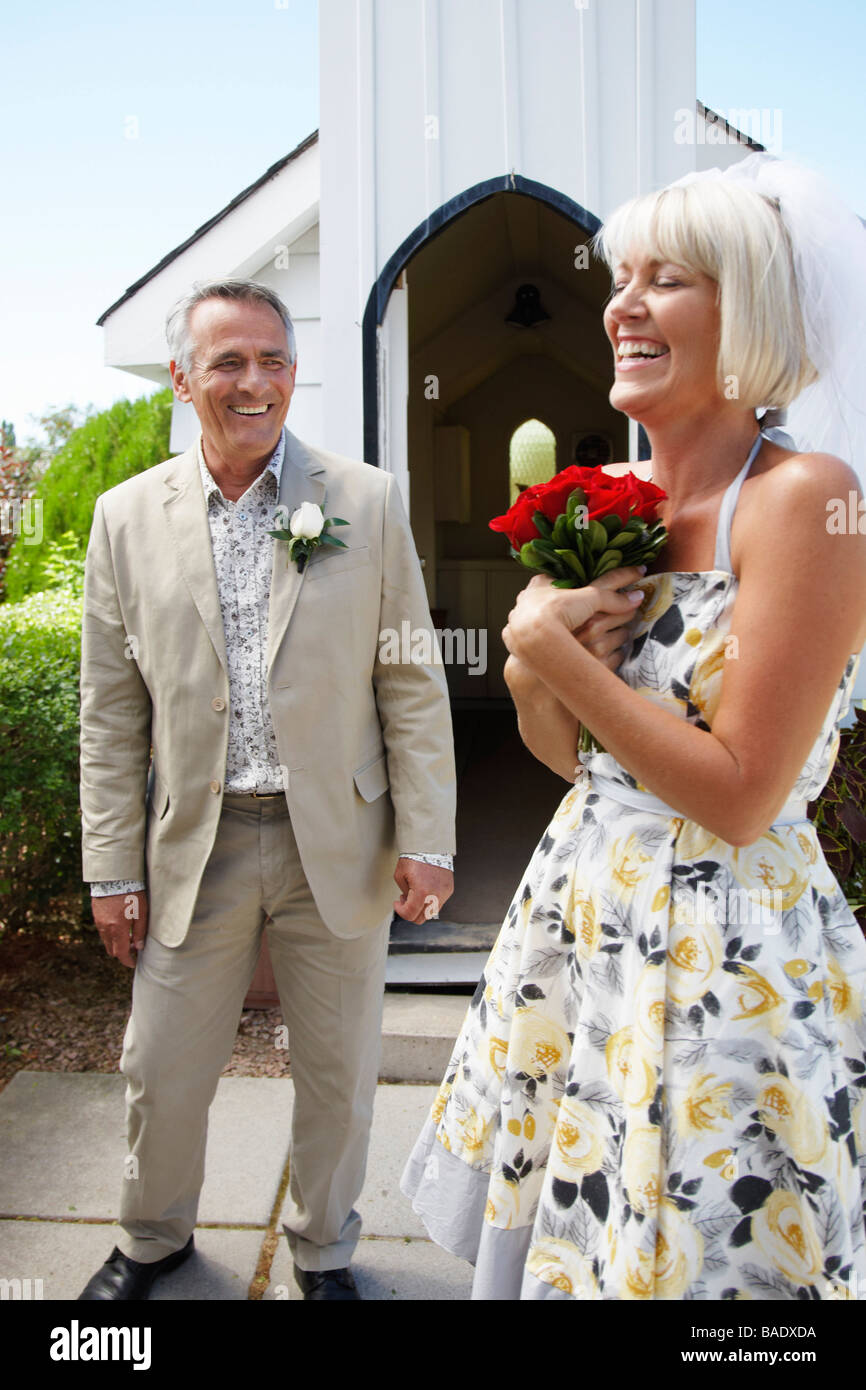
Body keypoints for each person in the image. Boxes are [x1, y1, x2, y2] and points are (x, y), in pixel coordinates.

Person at [402, 155, 866, 1299]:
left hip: (732, 952)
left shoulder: (804, 499)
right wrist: (532, 674)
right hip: (584, 927)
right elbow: (578, 763)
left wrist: (545, 648)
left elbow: (741, 791)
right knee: (594, 1229)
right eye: (621, 278)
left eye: (668, 279)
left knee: (710, 1250)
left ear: (751, 310)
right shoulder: (608, 497)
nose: (621, 304)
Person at [78, 278, 456, 1301]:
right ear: (183, 377)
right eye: (229, 362)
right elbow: (110, 713)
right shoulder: (123, 519)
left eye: (273, 360)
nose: (255, 382)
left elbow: (409, 678)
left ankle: (324, 1250)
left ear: (295, 371)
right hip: (193, 838)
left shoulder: (362, 499)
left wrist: (429, 835)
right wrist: (110, 867)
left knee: (336, 1069)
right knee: (160, 1065)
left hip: (337, 832)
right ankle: (149, 1239)